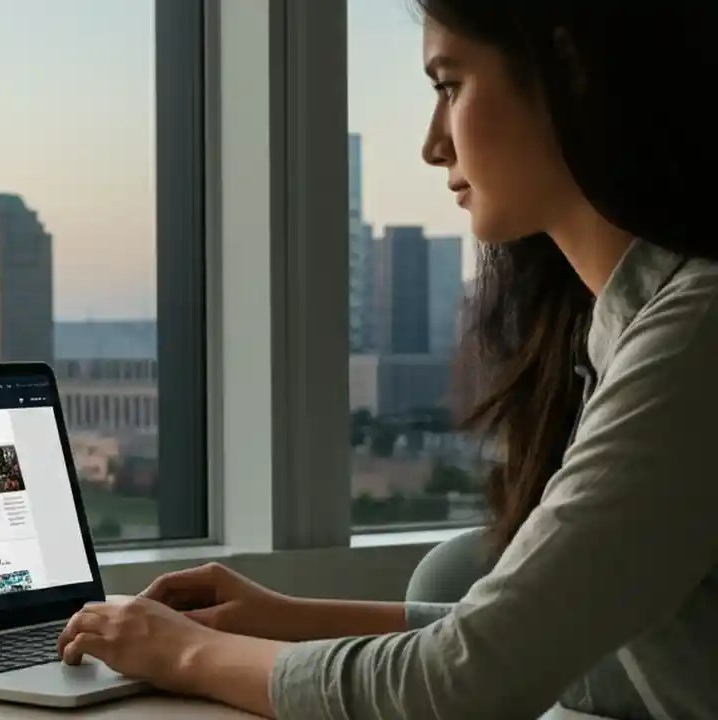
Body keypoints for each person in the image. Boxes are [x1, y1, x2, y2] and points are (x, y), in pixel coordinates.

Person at [56, 1, 718, 717]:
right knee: (461, 569)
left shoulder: (696, 333)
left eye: (449, 85)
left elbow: (466, 682)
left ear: (569, 69)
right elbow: (569, 653)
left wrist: (184, 653)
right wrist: (280, 620)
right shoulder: (627, 329)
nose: (434, 145)